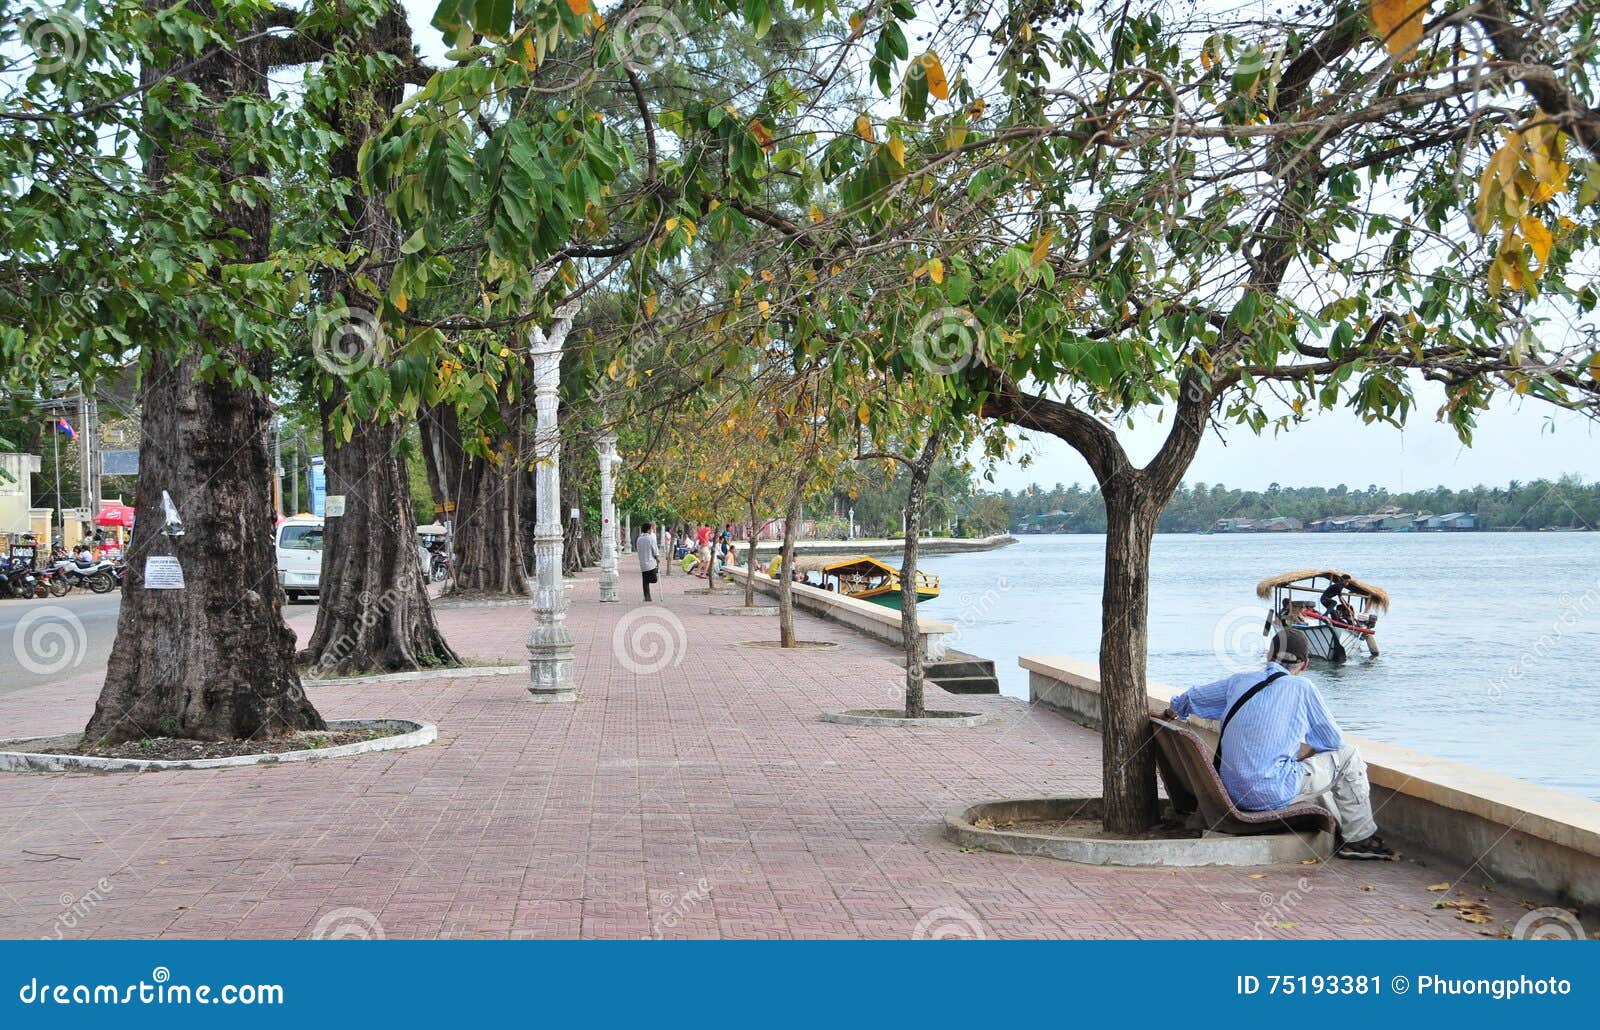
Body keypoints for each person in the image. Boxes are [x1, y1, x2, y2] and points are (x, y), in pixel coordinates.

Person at [1163, 627, 1395, 861]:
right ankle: (1360, 838)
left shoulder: (1239, 681)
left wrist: (1170, 711)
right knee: (1349, 756)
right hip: (1268, 794)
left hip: (1229, 791)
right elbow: (1332, 742)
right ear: (1304, 665)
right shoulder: (1303, 688)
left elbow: (1188, 700)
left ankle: (1345, 831)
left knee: (1299, 771)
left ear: (1268, 656)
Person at [636, 521, 659, 601]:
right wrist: (657, 557)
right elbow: (655, 550)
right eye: (651, 529)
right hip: (650, 562)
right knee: (654, 579)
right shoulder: (651, 538)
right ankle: (647, 596)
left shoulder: (639, 539)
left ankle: (647, 596)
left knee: (645, 581)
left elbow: (638, 549)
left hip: (642, 562)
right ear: (649, 530)